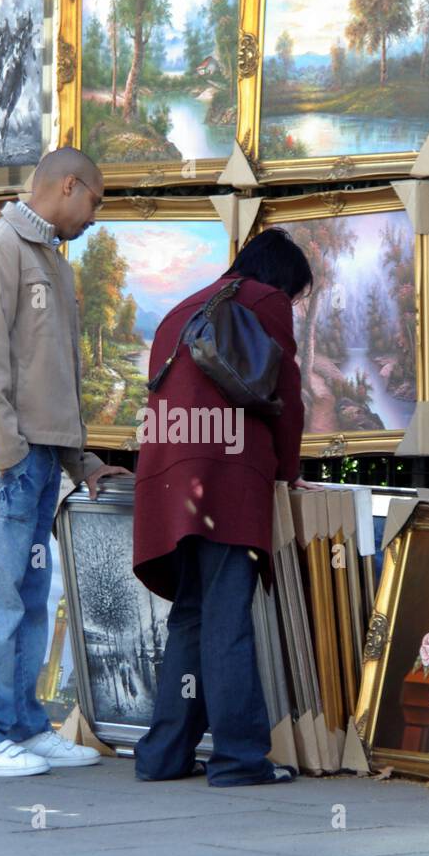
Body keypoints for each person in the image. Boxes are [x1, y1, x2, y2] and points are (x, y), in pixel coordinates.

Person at [0, 147, 130, 778]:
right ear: (69, 185)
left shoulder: (52, 260)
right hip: (2, 458)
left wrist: (82, 462)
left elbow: (55, 378)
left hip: (37, 458)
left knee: (27, 599)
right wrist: (6, 453)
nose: (95, 215)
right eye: (95, 200)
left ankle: (22, 727)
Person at [130, 228, 313, 787]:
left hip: (169, 478)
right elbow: (286, 396)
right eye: (297, 293)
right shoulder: (264, 300)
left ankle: (164, 755)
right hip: (225, 477)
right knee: (229, 615)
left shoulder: (182, 307)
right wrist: (288, 472)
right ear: (283, 278)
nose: (293, 303)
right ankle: (238, 759)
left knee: (192, 613)